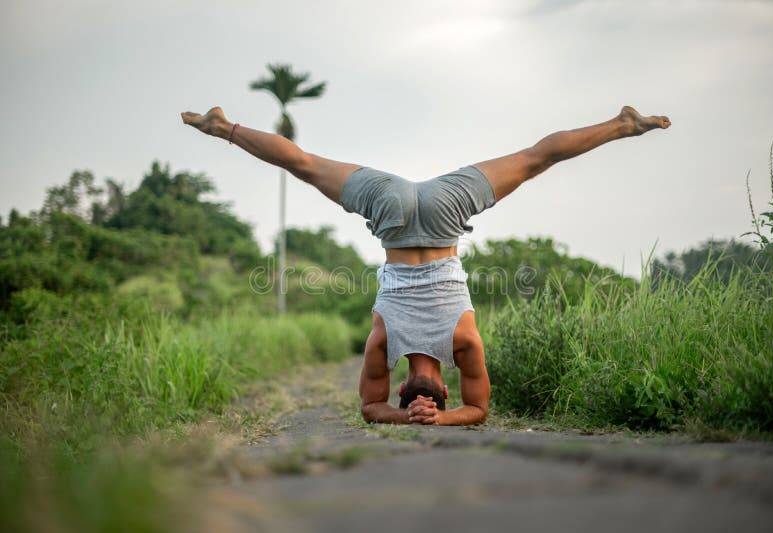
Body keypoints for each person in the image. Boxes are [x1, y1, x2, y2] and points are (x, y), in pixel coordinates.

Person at [181, 105, 670, 426]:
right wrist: (408, 418)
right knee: (304, 164)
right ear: (401, 381)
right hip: (392, 212)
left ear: (443, 384)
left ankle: (621, 125)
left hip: (444, 213)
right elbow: (371, 408)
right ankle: (225, 127)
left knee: (534, 158)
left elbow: (477, 409)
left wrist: (438, 417)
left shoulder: (464, 344)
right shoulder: (383, 344)